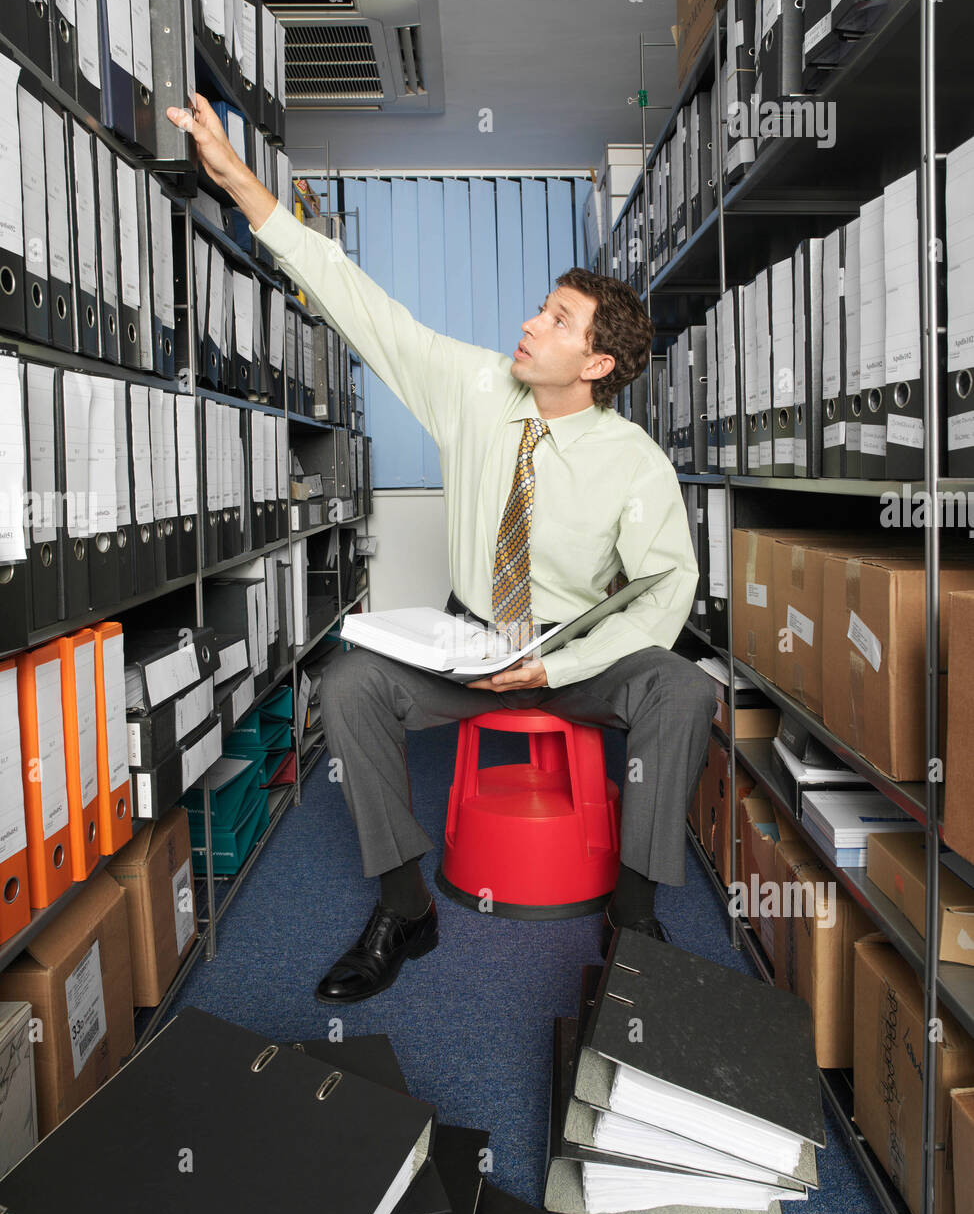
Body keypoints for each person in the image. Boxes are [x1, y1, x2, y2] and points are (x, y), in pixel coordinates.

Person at [167, 96, 718, 1004]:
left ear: (596, 365)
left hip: (573, 654)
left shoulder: (635, 462)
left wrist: (556, 668)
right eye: (542, 307)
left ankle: (635, 909)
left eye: (558, 319)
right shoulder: (473, 385)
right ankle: (403, 907)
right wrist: (241, 184)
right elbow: (363, 305)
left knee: (685, 684)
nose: (533, 325)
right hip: (470, 643)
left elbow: (664, 595)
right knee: (346, 684)